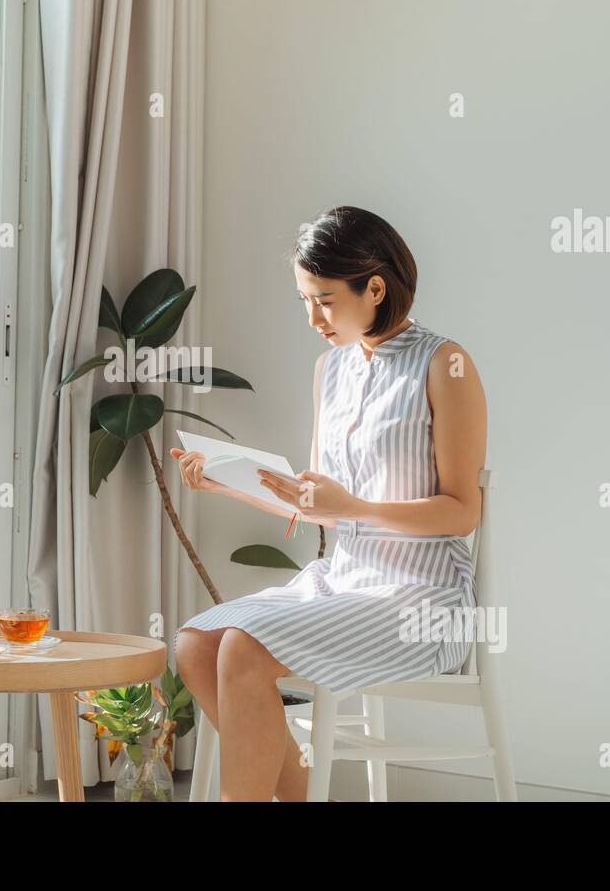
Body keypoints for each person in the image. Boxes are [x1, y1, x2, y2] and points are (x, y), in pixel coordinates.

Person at [171, 205, 487, 801]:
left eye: (324, 299)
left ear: (374, 287)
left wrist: (356, 507)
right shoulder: (331, 368)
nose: (314, 317)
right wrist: (224, 483)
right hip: (343, 581)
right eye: (304, 301)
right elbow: (319, 505)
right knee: (195, 644)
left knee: (242, 645)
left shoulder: (446, 364)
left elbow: (461, 510)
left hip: (423, 599)